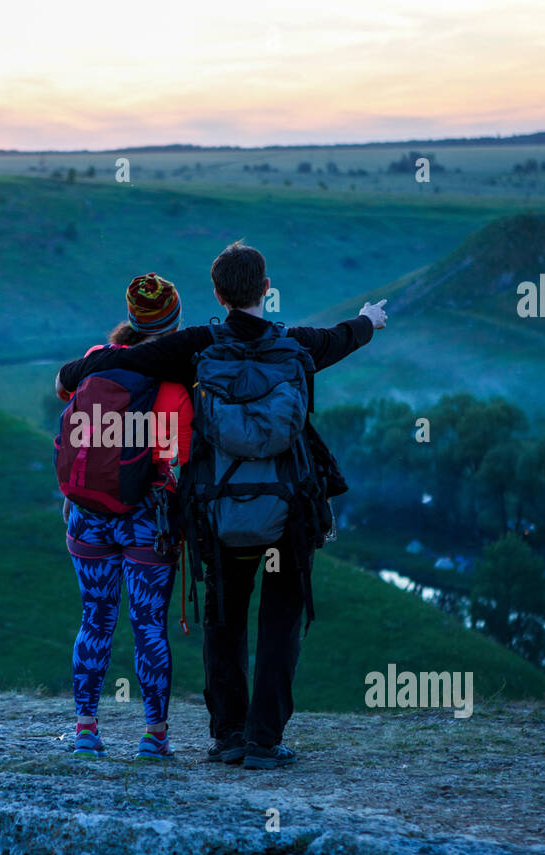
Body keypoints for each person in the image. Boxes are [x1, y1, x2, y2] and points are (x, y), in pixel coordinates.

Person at [55, 242, 387, 769]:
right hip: (289, 510)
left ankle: (228, 735)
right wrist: (369, 321)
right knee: (281, 619)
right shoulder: (296, 347)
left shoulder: (195, 345)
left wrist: (76, 372)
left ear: (217, 293)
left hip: (219, 510)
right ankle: (264, 741)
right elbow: (339, 339)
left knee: (225, 616)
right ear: (266, 289)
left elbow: (124, 360)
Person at [58, 273, 193, 760]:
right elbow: (182, 453)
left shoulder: (97, 359)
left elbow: (65, 394)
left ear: (131, 318)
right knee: (148, 625)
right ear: (176, 321)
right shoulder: (176, 383)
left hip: (87, 511)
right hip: (147, 518)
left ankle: (86, 731)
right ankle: (154, 737)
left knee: (94, 620)